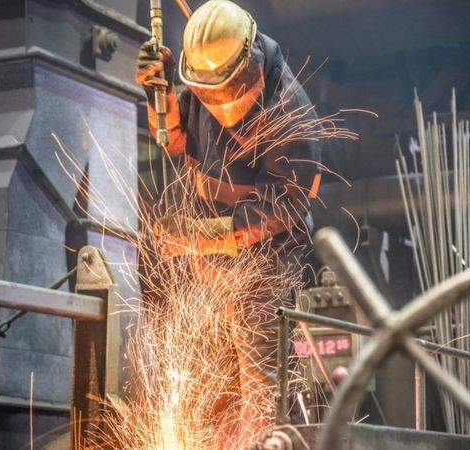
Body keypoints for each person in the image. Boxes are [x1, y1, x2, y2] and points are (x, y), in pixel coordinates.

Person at [135, 0, 322, 444]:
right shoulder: (205, 85)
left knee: (261, 386)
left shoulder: (291, 115)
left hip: (267, 264)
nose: (221, 106)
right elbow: (176, 141)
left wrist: (202, 236)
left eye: (228, 91)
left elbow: (281, 209)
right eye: (208, 95)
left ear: (251, 60)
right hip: (211, 264)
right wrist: (158, 95)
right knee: (209, 381)